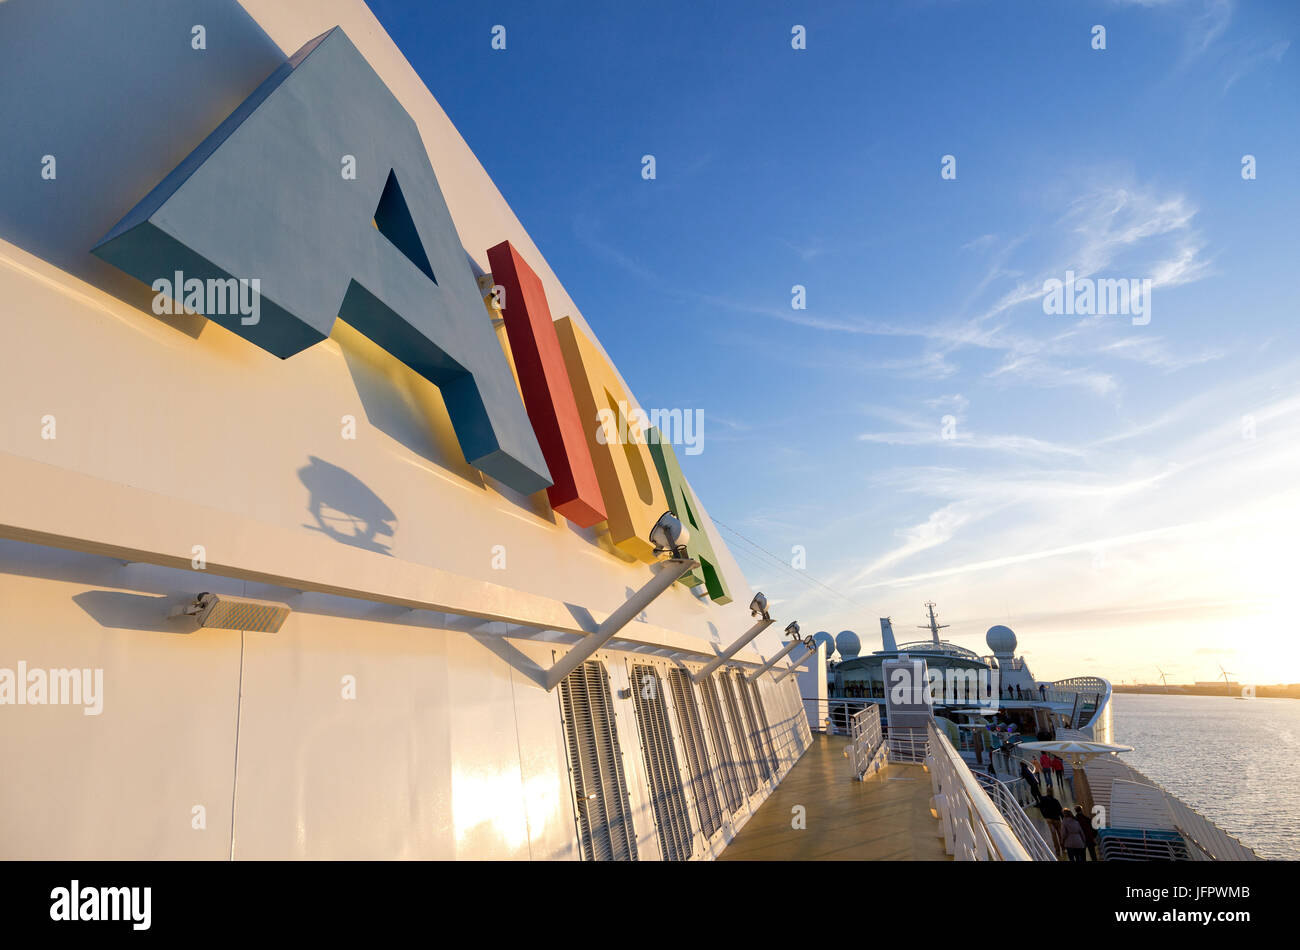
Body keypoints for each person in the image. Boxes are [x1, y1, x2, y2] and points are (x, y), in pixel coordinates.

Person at [1038, 791, 1065, 857]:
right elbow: (1060, 810)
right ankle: (1063, 848)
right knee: (1060, 834)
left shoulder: (1043, 800)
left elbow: (1040, 807)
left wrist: (1045, 816)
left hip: (1049, 820)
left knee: (1054, 835)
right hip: (1057, 820)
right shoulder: (1055, 801)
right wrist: (1063, 819)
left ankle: (1057, 851)